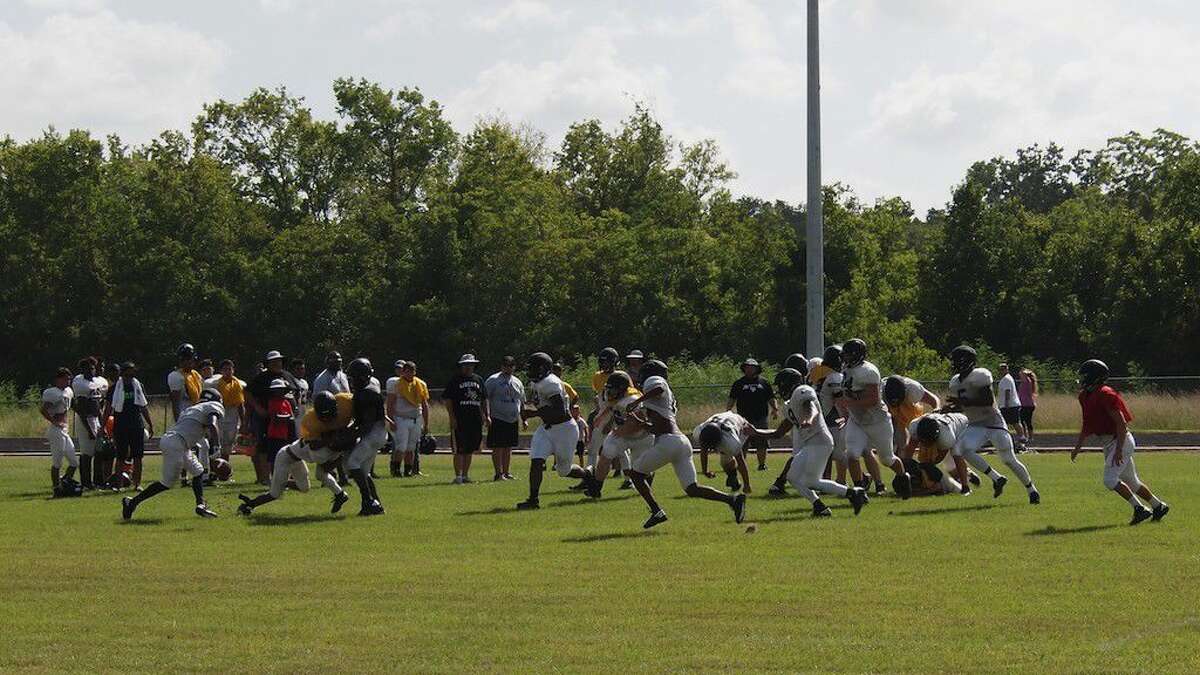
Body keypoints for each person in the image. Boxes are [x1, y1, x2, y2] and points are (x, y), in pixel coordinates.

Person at [621, 359, 747, 529]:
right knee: (692, 488)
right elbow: (656, 427)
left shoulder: (654, 381)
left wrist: (636, 402)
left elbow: (658, 389)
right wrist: (636, 420)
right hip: (680, 442)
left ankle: (656, 511)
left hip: (668, 442)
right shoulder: (664, 398)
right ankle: (732, 499)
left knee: (636, 474)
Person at [757, 367, 869, 517]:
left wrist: (808, 420)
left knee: (812, 482)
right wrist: (754, 432)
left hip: (819, 441)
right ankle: (821, 506)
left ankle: (852, 494)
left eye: (781, 385)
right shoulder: (790, 404)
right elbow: (779, 432)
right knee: (793, 477)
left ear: (788, 384)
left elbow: (811, 408)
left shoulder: (802, 390)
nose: (779, 389)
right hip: (811, 443)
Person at [1071, 360, 1169, 525]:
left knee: (1109, 480)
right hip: (1110, 443)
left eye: (1085, 376)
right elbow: (1087, 424)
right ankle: (1158, 506)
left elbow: (1121, 424)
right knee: (1132, 481)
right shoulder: (1085, 396)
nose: (1082, 379)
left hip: (1120, 440)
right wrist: (1077, 448)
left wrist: (1118, 450)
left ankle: (1140, 509)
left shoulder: (1105, 393)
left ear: (1094, 377)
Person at [945, 345, 1040, 504]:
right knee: (960, 449)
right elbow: (964, 405)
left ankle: (1031, 490)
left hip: (993, 422)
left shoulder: (980, 375)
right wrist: (949, 408)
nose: (954, 363)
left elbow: (987, 400)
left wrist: (961, 402)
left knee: (1009, 459)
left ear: (966, 361)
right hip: (975, 424)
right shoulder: (955, 381)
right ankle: (996, 478)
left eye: (957, 360)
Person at [237, 391, 352, 516]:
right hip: (285, 456)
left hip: (298, 458)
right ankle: (249, 504)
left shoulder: (322, 430)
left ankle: (340, 494)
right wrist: (340, 451)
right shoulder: (315, 434)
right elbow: (320, 452)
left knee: (306, 487)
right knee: (275, 494)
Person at [121, 389, 224, 520]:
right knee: (167, 483)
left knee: (198, 472)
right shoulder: (212, 406)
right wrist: (216, 445)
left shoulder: (192, 409)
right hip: (177, 443)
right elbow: (212, 423)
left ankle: (201, 505)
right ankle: (131, 502)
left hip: (176, 442)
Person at [516, 353, 590, 509]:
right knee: (536, 461)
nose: (530, 372)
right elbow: (542, 404)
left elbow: (559, 411)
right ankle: (533, 500)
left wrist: (533, 413)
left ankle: (588, 476)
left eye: (533, 368)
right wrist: (529, 409)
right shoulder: (537, 383)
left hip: (564, 429)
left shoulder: (551, 383)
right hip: (546, 428)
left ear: (543, 369)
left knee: (563, 471)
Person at [840, 338, 912, 498]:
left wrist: (849, 402)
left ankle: (903, 478)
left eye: (848, 355)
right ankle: (859, 492)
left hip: (877, 421)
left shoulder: (869, 371)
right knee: (851, 454)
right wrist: (846, 411)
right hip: (857, 420)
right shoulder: (846, 370)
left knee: (887, 459)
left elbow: (872, 400)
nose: (845, 358)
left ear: (858, 355)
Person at [585, 371, 652, 498]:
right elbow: (612, 407)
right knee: (606, 453)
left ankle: (645, 489)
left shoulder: (632, 399)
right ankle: (596, 489)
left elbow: (638, 421)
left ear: (621, 389)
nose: (609, 392)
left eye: (613, 389)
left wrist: (619, 431)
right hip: (622, 433)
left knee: (641, 468)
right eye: (609, 389)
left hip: (641, 436)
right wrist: (604, 419)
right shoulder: (617, 396)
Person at [246, 350, 300, 485]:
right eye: (273, 361)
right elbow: (247, 392)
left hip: (286, 418)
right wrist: (258, 408)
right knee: (264, 447)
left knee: (290, 446)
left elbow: (296, 392)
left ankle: (291, 477)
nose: (277, 363)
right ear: (268, 364)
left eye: (279, 360)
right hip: (265, 418)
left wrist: (296, 407)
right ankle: (266, 478)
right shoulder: (261, 378)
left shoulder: (287, 376)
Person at [345, 358, 389, 515]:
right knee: (363, 471)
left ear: (361, 377)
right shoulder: (367, 391)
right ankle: (376, 504)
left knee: (352, 464)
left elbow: (368, 423)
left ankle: (368, 501)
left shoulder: (366, 394)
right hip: (378, 433)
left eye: (352, 377)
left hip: (374, 433)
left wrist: (350, 435)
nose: (350, 381)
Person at [902, 413, 978, 496]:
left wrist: (926, 471)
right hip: (943, 423)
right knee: (930, 463)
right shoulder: (914, 427)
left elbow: (941, 458)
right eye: (923, 441)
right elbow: (909, 450)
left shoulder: (946, 438)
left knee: (954, 456)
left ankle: (965, 486)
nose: (925, 444)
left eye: (928, 441)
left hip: (961, 426)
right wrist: (905, 468)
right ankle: (968, 475)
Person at [107, 362, 153, 491]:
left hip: (136, 424)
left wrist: (149, 423)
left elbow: (143, 406)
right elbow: (108, 408)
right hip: (121, 424)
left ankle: (137, 484)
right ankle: (119, 484)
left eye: (132, 374)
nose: (130, 377)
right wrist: (103, 426)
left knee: (138, 456)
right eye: (127, 374)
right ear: (122, 374)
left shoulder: (138, 386)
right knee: (121, 455)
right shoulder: (115, 388)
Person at [727, 358, 778, 471]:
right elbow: (732, 399)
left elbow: (771, 398)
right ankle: (741, 464)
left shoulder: (764, 382)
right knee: (742, 443)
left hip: (760, 417)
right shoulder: (738, 383)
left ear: (756, 369)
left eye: (752, 367)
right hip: (743, 419)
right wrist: (728, 411)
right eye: (747, 367)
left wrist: (775, 409)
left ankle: (762, 465)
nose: (749, 369)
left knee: (762, 443)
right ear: (744, 369)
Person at [882, 374, 940, 472]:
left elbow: (933, 400)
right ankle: (906, 471)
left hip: (910, 409)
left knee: (919, 434)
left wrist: (937, 410)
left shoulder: (913, 389)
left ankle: (913, 469)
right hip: (889, 413)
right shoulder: (880, 393)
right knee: (897, 447)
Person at [444, 354, 485, 484]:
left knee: (470, 449)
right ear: (461, 366)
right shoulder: (455, 380)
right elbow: (448, 400)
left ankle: (466, 475)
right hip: (460, 419)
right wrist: (452, 417)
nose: (468, 367)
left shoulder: (479, 380)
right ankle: (458, 476)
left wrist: (486, 415)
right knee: (459, 449)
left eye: (471, 364)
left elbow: (484, 399)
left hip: (475, 419)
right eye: (465, 365)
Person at [386, 360, 430, 477]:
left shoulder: (420, 384)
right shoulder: (395, 384)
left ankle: (408, 470)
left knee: (411, 447)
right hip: (401, 418)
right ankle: (395, 469)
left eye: (411, 371)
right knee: (401, 446)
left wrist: (426, 423)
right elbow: (390, 403)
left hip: (416, 418)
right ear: (403, 372)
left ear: (415, 372)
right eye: (406, 371)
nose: (409, 374)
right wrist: (391, 420)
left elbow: (424, 405)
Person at [483, 356, 524, 481]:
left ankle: (506, 472)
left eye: (511, 366)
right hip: (498, 418)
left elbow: (521, 401)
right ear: (501, 366)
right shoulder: (493, 380)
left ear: (514, 367)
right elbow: (485, 399)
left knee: (508, 446)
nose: (508, 368)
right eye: (506, 365)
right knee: (498, 446)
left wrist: (524, 418)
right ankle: (498, 473)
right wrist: (487, 416)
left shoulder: (517, 381)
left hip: (512, 419)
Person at [71, 357, 109, 490]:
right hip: (85, 420)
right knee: (87, 453)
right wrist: (89, 430)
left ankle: (98, 481)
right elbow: (81, 410)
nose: (91, 371)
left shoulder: (98, 382)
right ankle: (86, 482)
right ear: (82, 370)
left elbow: (99, 406)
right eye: (88, 368)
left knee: (99, 451)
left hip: (96, 419)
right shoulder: (80, 383)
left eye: (92, 368)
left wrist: (101, 425)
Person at [693, 411, 753, 493]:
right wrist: (705, 471)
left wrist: (747, 485)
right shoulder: (699, 432)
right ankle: (733, 477)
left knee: (725, 459)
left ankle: (733, 477)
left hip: (742, 425)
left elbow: (740, 461)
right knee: (725, 462)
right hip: (723, 419)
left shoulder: (730, 442)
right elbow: (703, 449)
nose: (709, 449)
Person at [41, 367, 77, 491]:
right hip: (56, 430)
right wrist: (54, 421)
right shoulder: (52, 392)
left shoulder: (69, 391)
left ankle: (65, 482)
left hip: (65, 430)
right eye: (65, 379)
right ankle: (56, 487)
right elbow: (43, 409)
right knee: (57, 462)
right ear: (58, 379)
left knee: (74, 462)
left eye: (69, 379)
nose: (68, 381)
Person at [211, 360, 245, 478]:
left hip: (232, 413)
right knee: (217, 442)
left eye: (230, 369)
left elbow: (240, 404)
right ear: (221, 371)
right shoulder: (215, 384)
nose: (228, 372)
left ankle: (225, 471)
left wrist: (243, 421)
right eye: (225, 369)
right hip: (220, 412)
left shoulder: (237, 384)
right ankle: (215, 471)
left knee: (228, 444)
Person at [167, 343, 203, 421]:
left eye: (191, 359)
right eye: (186, 359)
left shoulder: (196, 375)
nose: (190, 362)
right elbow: (175, 402)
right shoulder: (176, 376)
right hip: (185, 415)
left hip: (198, 412)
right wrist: (178, 421)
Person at [997, 363, 1022, 449]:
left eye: (1003, 369)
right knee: (1012, 422)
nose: (1001, 371)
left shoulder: (1006, 379)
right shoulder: (1005, 379)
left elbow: (1007, 391)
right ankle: (1016, 437)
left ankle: (1021, 437)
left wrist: (1007, 403)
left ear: (1006, 369)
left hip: (1009, 405)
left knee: (1013, 422)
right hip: (1008, 405)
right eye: (1000, 369)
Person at [1018, 367, 1039, 445]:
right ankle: (1028, 437)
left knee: (1024, 421)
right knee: (1026, 421)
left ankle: (1027, 437)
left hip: (1027, 404)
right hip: (1026, 404)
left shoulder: (1027, 381)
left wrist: (1025, 372)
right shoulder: (1025, 382)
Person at [291, 358, 310, 437]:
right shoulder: (291, 382)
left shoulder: (304, 382)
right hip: (295, 413)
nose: (301, 371)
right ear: (293, 370)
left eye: (302, 368)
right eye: (298, 369)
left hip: (303, 412)